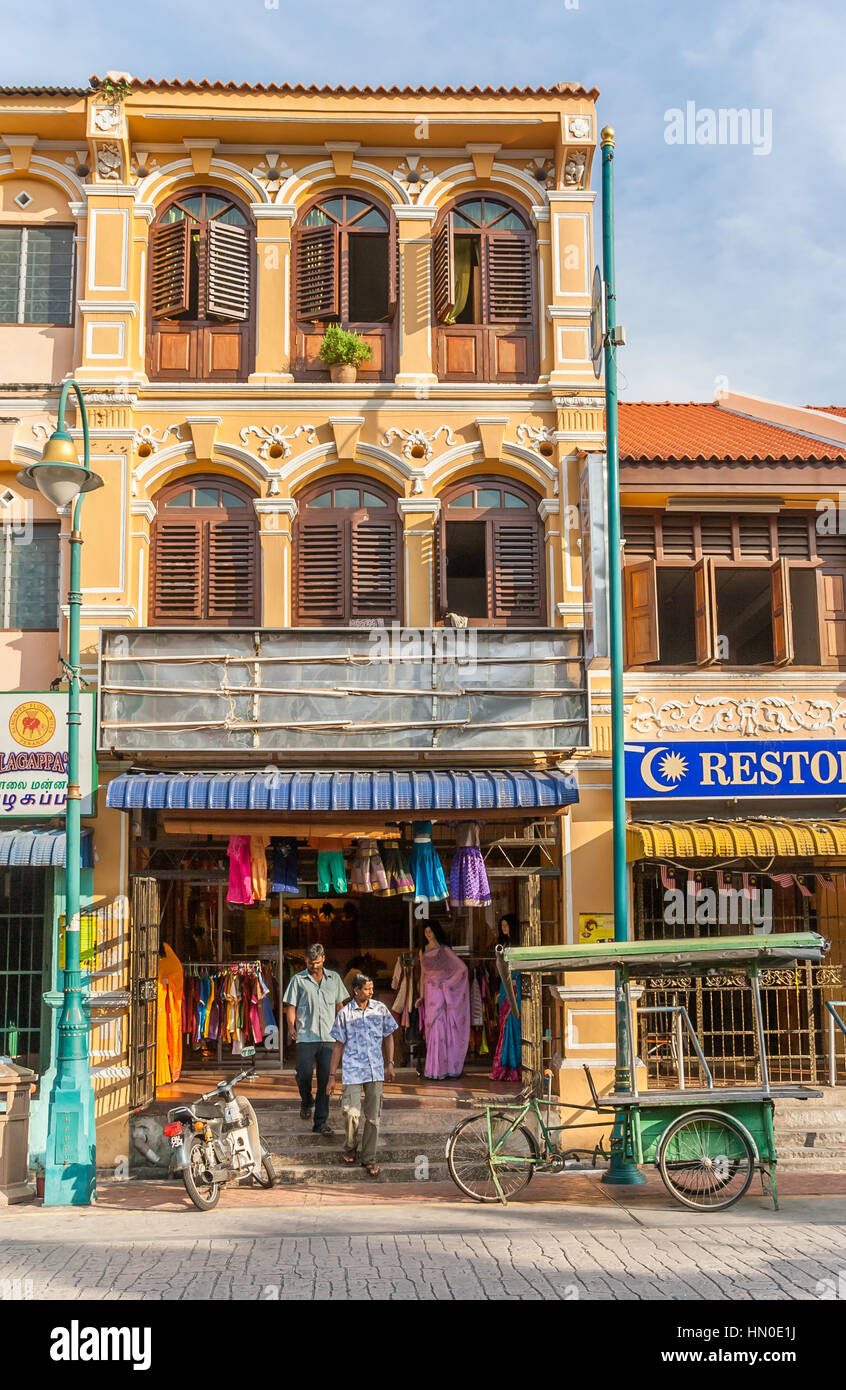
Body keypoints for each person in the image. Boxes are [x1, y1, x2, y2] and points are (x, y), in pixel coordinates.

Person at [327, 973, 398, 1177]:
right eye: (367, 989)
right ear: (356, 991)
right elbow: (338, 1046)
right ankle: (350, 1146)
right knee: (351, 1114)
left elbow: (389, 1037)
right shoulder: (344, 1014)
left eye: (372, 988)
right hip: (352, 1071)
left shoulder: (380, 1010)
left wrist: (390, 1063)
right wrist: (332, 1076)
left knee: (373, 1117)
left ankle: (369, 1157)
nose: (371, 992)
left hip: (375, 1071)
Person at [283, 942, 348, 1136]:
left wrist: (345, 1027)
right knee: (303, 1074)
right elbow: (291, 1006)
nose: (315, 967)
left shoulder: (334, 979)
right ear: (306, 961)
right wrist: (290, 1026)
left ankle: (321, 1122)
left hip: (329, 1038)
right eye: (311, 963)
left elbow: (340, 1006)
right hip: (306, 1036)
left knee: (324, 1080)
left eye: (318, 963)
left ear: (323, 960)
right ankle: (306, 1099)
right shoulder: (298, 980)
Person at [418, 922, 470, 1079]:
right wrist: (420, 995)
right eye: (426, 931)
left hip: (441, 991)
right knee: (431, 1028)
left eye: (430, 931)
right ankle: (432, 1068)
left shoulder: (444, 950)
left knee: (439, 1026)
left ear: (435, 932)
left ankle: (442, 1068)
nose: (428, 934)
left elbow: (462, 968)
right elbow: (422, 974)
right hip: (429, 992)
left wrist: (447, 983)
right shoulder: (422, 950)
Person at [490, 914, 522, 1081]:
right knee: (505, 1025)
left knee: (514, 1026)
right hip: (505, 989)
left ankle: (515, 1066)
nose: (504, 928)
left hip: (515, 988)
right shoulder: (502, 945)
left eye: (506, 925)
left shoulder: (520, 945)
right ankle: (505, 1067)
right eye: (502, 925)